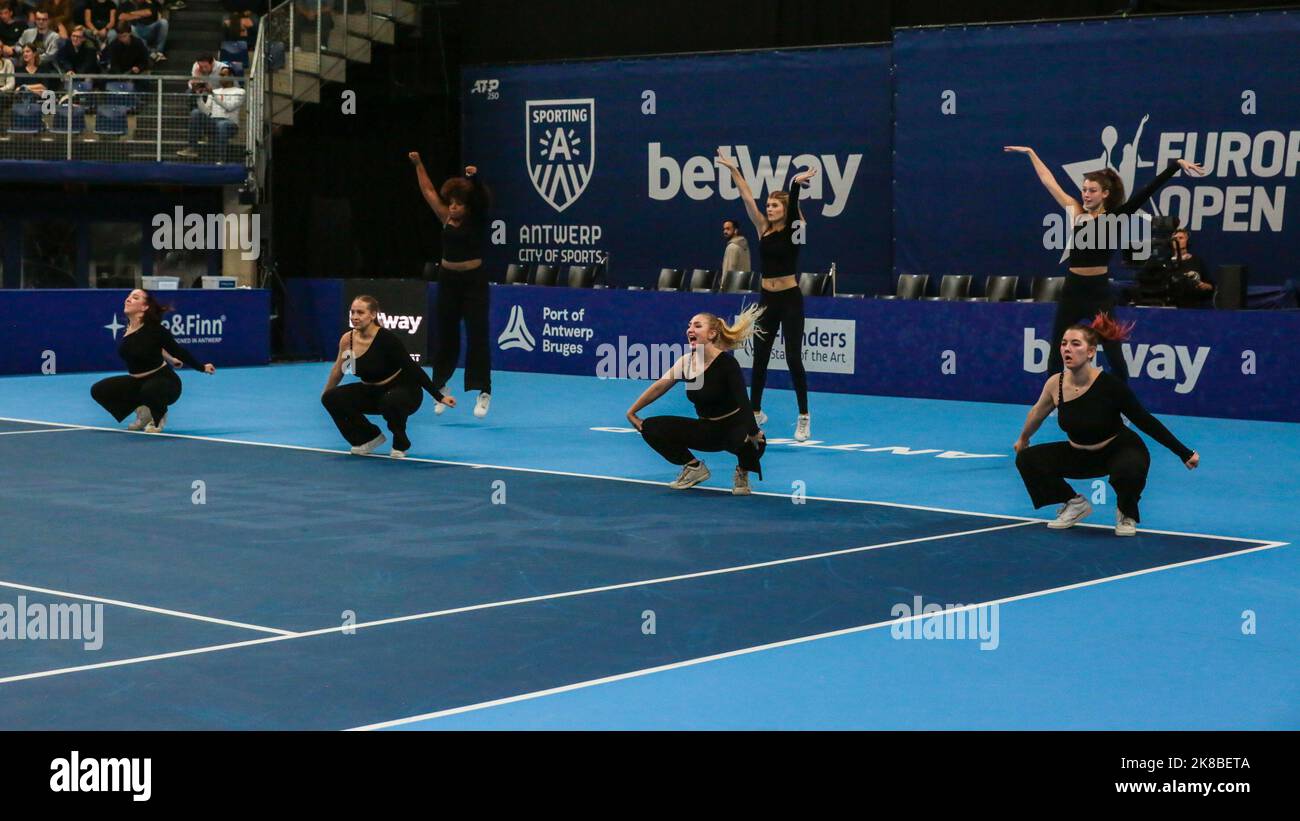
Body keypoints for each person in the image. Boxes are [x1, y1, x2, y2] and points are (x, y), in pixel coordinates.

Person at [1004, 145, 1205, 379]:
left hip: (1098, 292)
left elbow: (1147, 191)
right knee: (1057, 351)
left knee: (1113, 351)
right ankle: (1055, 401)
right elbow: (1050, 183)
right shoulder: (1077, 214)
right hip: (1072, 291)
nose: (1086, 194)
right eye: (1084, 190)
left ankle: (1121, 404)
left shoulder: (1116, 218)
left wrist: (1176, 165)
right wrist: (1031, 153)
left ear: (1105, 194)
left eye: (1092, 190)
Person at [1013, 315, 1199, 536]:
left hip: (1119, 449)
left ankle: (1126, 512)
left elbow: (1144, 420)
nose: (1067, 349)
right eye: (1064, 343)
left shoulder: (1111, 386)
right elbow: (1037, 413)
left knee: (1128, 470)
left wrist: (1183, 452)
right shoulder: (1056, 383)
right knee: (1027, 459)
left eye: (1075, 344)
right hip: (1079, 454)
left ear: (1090, 352)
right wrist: (1023, 439)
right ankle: (1074, 504)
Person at [715, 149, 816, 441]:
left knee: (794, 358)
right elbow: (746, 196)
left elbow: (795, 205)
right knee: (760, 357)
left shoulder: (797, 231)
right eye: (768, 204)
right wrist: (733, 170)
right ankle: (755, 411)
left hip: (790, 300)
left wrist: (795, 184)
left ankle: (804, 417)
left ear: (785, 208)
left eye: (774, 205)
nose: (768, 208)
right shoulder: (762, 229)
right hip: (767, 301)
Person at [627, 307, 768, 494]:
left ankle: (743, 470)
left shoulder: (727, 364)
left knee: (758, 442)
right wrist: (632, 412)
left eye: (697, 325)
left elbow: (743, 401)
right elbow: (660, 386)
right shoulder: (686, 361)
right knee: (650, 427)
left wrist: (753, 432)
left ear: (712, 334)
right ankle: (693, 467)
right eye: (689, 326)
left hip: (733, 430)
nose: (690, 329)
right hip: (706, 431)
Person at [408, 151, 494, 419]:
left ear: (467, 205)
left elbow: (480, 197)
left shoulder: (477, 218)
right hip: (448, 281)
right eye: (452, 202)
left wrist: (475, 178)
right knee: (446, 335)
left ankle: (483, 391)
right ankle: (440, 389)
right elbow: (428, 191)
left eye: (459, 203)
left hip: (474, 282)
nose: (453, 206)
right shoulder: (445, 217)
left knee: (477, 334)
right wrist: (419, 164)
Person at [321, 295, 456, 457]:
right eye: (352, 312)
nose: (355, 317)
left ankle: (400, 443)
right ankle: (367, 438)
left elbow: (412, 368)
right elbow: (340, 369)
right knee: (331, 398)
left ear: (373, 315)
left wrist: (439, 396)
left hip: (405, 391)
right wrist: (327, 395)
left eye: (360, 313)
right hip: (372, 391)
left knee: (390, 400)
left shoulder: (387, 339)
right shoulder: (347, 340)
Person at [90, 289, 216, 432]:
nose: (128, 299)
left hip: (165, 382)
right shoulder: (129, 328)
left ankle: (159, 415)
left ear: (145, 307)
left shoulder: (155, 329)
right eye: (128, 296)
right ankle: (144, 413)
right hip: (138, 382)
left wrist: (202, 367)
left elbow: (178, 350)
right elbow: (150, 345)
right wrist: (169, 358)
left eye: (135, 297)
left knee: (149, 390)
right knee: (99, 390)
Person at [177, 65, 242, 160]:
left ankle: (221, 159)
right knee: (195, 112)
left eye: (223, 75)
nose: (220, 77)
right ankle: (192, 148)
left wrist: (213, 94)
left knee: (222, 125)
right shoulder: (215, 91)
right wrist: (198, 96)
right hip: (213, 122)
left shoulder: (239, 92)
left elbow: (229, 106)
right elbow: (206, 111)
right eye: (220, 75)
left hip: (230, 124)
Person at [1168, 226, 1215, 308]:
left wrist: (1204, 286)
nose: (1177, 240)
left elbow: (1210, 286)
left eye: (1181, 238)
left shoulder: (1197, 261)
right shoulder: (1167, 262)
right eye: (1174, 239)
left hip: (1193, 306)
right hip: (1171, 306)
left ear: (1187, 241)